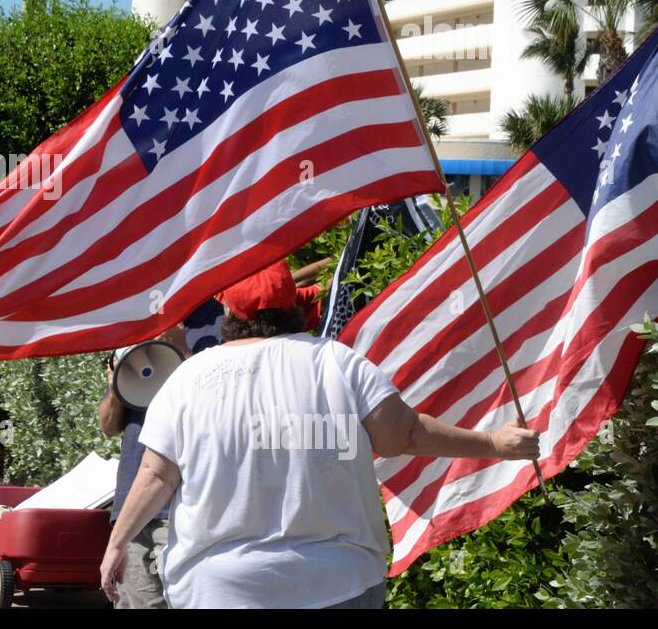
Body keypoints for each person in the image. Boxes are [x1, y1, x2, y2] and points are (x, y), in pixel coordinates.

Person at [99, 261, 540, 609]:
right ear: (293, 306)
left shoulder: (187, 378)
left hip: (220, 588)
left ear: (230, 312)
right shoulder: (338, 362)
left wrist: (116, 545)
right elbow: (404, 435)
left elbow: (157, 475)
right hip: (338, 581)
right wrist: (494, 443)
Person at [97, 299, 221, 608]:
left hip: (185, 507)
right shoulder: (139, 323)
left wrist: (182, 351)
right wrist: (116, 388)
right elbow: (108, 425)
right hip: (133, 507)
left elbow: (219, 405)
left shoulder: (218, 323)